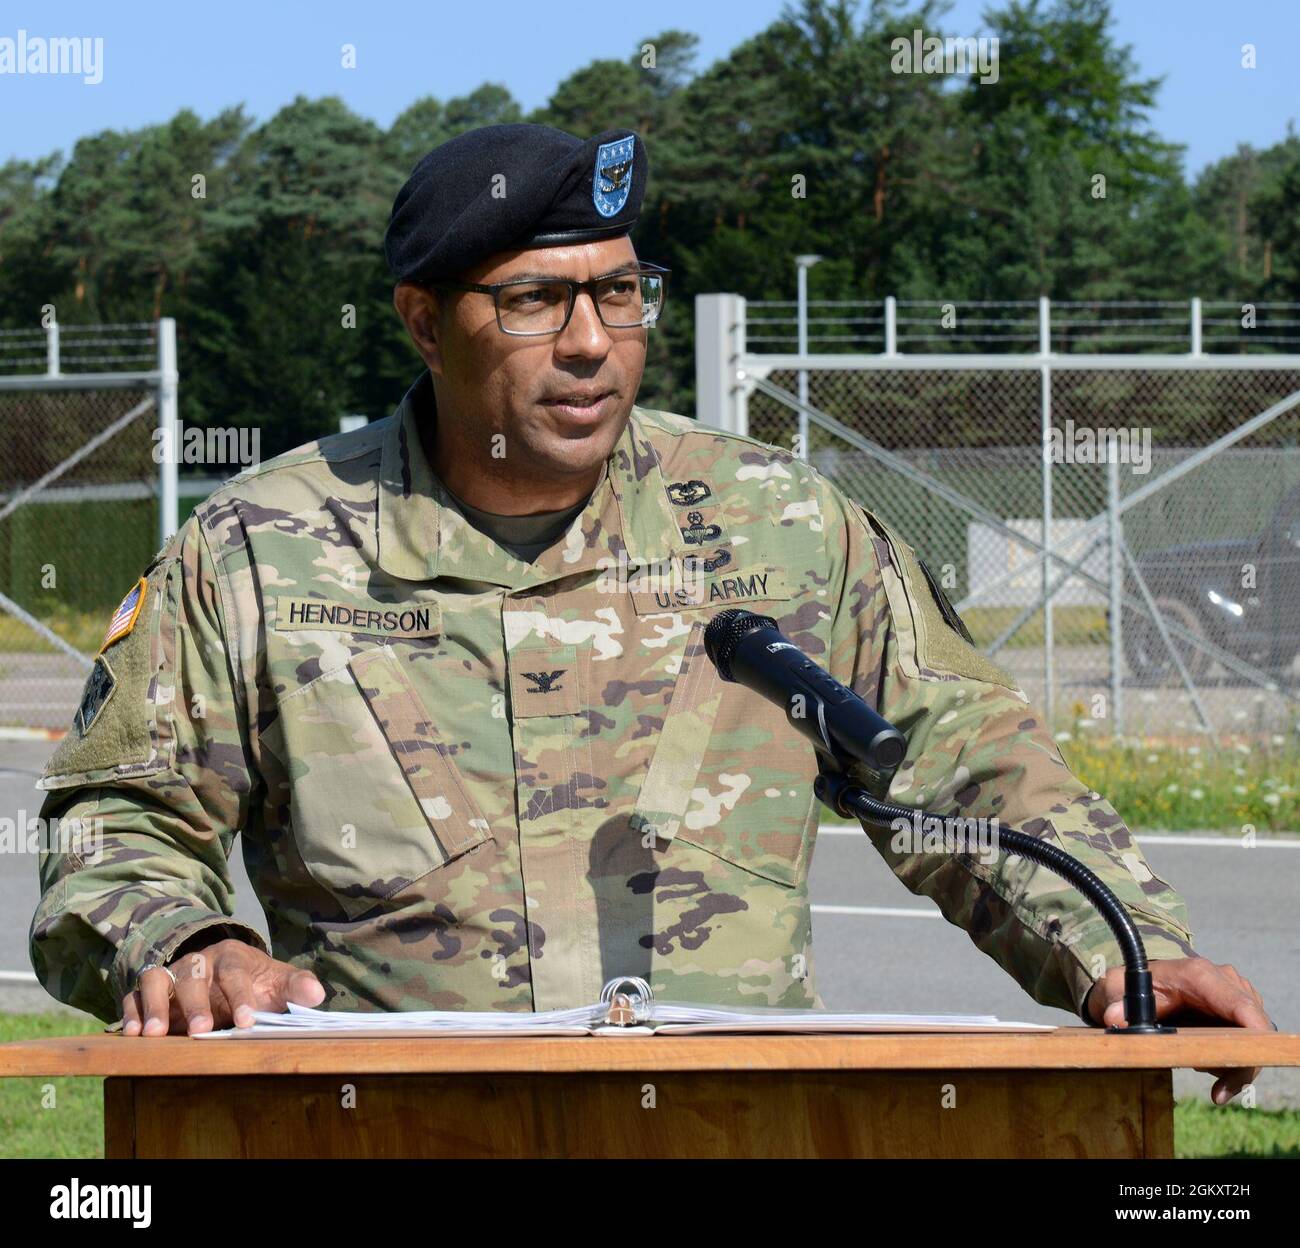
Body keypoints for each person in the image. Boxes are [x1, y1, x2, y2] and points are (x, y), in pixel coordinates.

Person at [31, 123, 1269, 1103]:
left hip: (742, 1132)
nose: (590, 344)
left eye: (620, 294)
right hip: (386, 1136)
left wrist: (1127, 952)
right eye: (532, 301)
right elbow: (117, 821)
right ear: (420, 320)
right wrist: (178, 942)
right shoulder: (257, 554)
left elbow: (965, 765)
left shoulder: (779, 531)